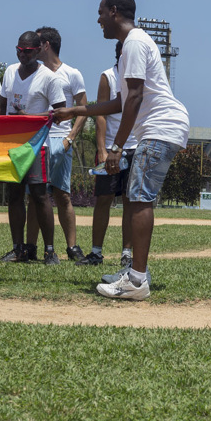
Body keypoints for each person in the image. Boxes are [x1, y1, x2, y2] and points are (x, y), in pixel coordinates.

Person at [54, 0, 190, 300]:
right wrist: (76, 111)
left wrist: (115, 148)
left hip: (162, 126)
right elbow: (120, 101)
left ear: (114, 12)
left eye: (101, 12)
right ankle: (134, 272)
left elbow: (136, 98)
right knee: (137, 195)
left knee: (139, 196)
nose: (98, 19)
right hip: (162, 126)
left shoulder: (135, 43)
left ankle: (137, 281)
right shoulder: (133, 44)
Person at [0, 31, 66, 264]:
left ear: (38, 51)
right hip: (12, 145)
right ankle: (18, 249)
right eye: (19, 50)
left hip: (37, 145)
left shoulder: (49, 77)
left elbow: (61, 113)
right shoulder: (9, 72)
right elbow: (3, 106)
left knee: (40, 196)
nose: (23, 55)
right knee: (14, 196)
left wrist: (31, 117)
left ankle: (49, 251)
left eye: (28, 51)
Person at [28, 26, 88, 261]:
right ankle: (30, 247)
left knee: (62, 195)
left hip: (61, 139)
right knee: (35, 195)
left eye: (37, 43)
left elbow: (83, 108)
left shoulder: (72, 73)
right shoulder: (35, 73)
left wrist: (70, 138)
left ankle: (72, 247)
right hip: (38, 140)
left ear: (46, 45)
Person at [79, 41, 138, 268]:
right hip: (112, 149)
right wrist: (102, 148)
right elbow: (101, 115)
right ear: (120, 55)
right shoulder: (108, 76)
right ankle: (96, 252)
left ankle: (127, 253)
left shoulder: (140, 80)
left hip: (135, 147)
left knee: (130, 201)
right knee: (103, 199)